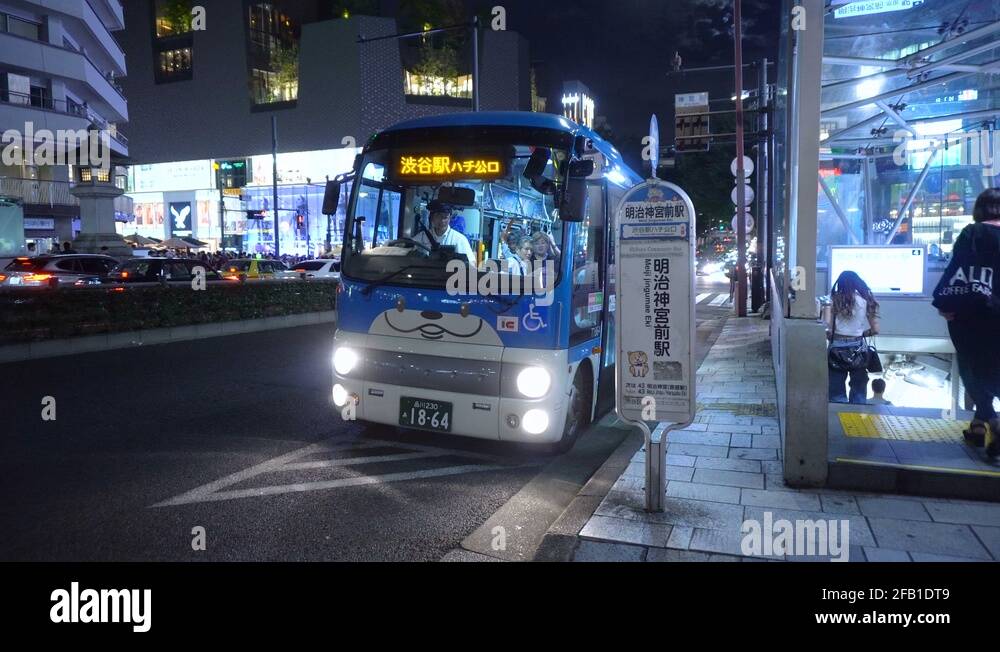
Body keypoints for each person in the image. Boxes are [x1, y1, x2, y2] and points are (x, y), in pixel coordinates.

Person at [935, 188, 1000, 458]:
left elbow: (957, 270)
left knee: (973, 370)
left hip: (971, 317)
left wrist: (948, 304)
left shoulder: (972, 234)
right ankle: (978, 426)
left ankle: (991, 422)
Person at [825, 270, 880, 404]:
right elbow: (876, 330)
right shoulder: (865, 300)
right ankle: (857, 417)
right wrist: (860, 334)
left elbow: (827, 329)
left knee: (836, 391)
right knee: (859, 390)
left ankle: (837, 420)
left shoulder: (832, 300)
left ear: (840, 284)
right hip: (858, 350)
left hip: (836, 349)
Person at [413, 200, 476, 266]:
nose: (442, 221)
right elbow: (404, 250)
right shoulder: (423, 236)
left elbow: (472, 265)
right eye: (438, 216)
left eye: (445, 217)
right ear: (432, 217)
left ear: (450, 218)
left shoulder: (459, 239)